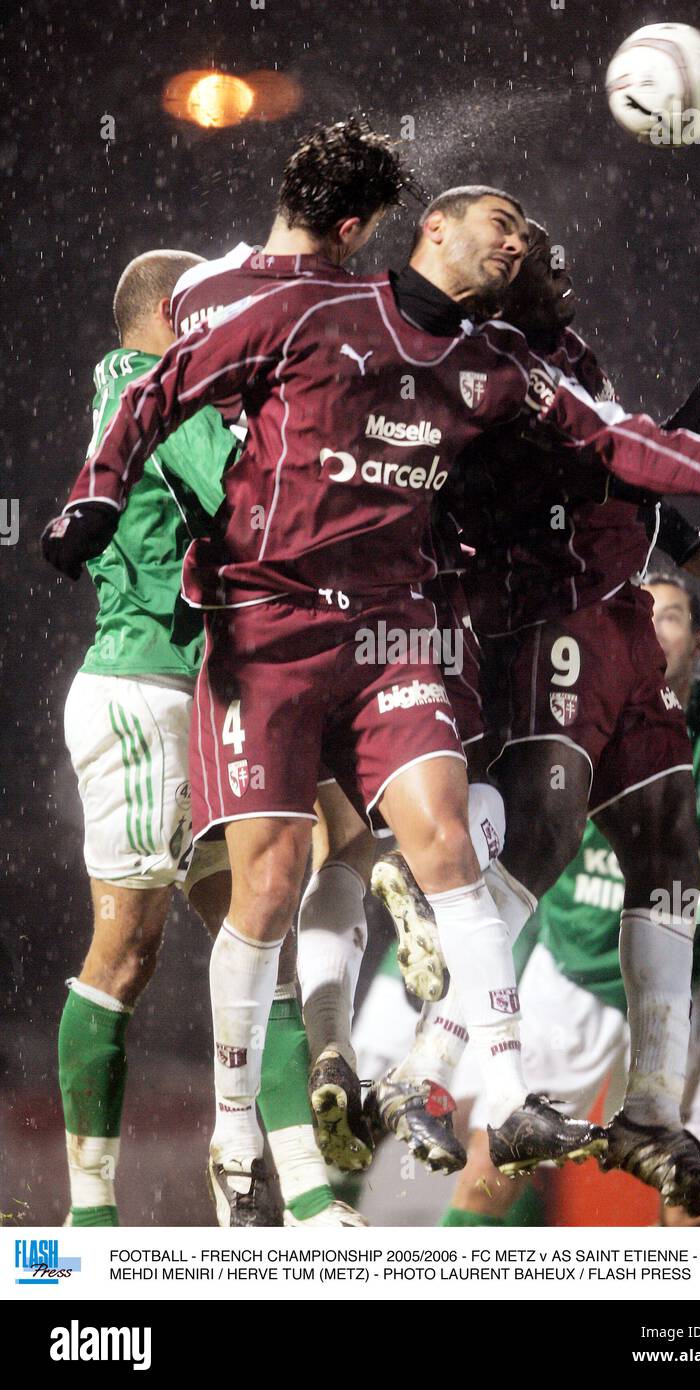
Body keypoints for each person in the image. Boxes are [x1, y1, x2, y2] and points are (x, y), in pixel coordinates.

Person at [42, 128, 700, 1204]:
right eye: (499, 224)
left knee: (441, 838)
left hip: (392, 635)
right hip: (271, 626)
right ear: (432, 228)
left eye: (524, 232)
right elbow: (159, 391)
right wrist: (93, 495)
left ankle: (502, 1085)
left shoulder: (498, 368)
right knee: (276, 881)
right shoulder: (311, 311)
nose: (514, 242)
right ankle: (240, 1126)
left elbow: (614, 444)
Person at [369, 222, 700, 1217]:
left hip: (611, 613)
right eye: (534, 259)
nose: (561, 274)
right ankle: (429, 1055)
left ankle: (649, 1113)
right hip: (549, 616)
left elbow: (622, 463)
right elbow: (621, 455)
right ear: (500, 282)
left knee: (666, 851)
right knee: (545, 833)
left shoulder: (560, 360)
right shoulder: (497, 369)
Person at [52, 248, 365, 1229]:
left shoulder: (157, 388)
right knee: (127, 948)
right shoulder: (154, 383)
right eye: (207, 308)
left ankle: (306, 1194)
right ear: (173, 314)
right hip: (142, 694)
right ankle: (90, 1214)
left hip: (203, 697)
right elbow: (250, 496)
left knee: (258, 935)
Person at [443, 574, 700, 1226]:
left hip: (687, 991)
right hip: (573, 984)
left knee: (691, 1197)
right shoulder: (565, 718)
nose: (646, 627)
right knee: (493, 1169)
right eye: (630, 614)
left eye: (666, 616)